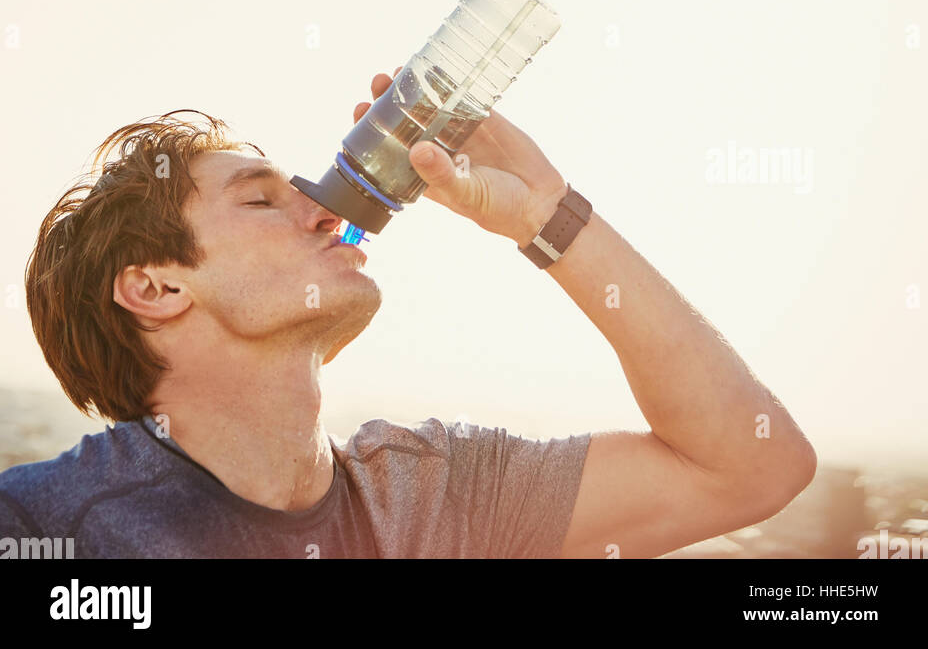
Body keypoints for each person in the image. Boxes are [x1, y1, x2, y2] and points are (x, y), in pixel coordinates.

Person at [0, 73, 816, 558]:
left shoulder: (438, 494)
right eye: (260, 200)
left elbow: (752, 468)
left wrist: (548, 214)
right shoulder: (43, 526)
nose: (328, 210)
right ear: (155, 290)